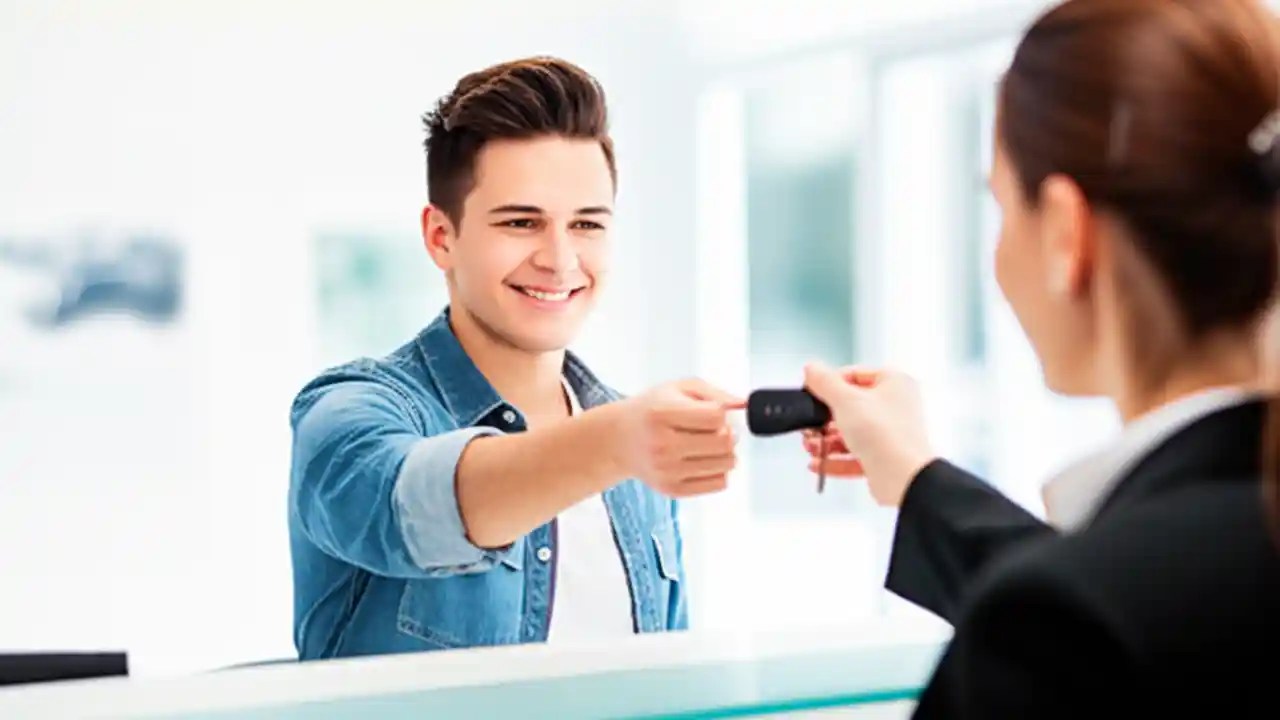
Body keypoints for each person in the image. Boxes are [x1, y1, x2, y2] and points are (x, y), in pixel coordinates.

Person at [802, 0, 1280, 715]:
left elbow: (1095, 615)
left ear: (1065, 232)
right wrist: (917, 480)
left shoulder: (1060, 629)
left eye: (1000, 204)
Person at [287, 57, 741, 660]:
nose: (560, 259)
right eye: (522, 222)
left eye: (586, 224)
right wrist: (617, 442)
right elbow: (413, 508)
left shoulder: (636, 453)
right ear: (440, 237)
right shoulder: (347, 411)